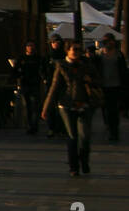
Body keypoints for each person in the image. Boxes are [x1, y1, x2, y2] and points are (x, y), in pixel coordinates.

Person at [42, 41, 103, 177]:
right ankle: (73, 167)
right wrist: (46, 107)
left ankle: (84, 160)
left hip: (85, 104)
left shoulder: (87, 65)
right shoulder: (62, 65)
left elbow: (99, 81)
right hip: (66, 104)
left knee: (85, 137)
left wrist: (90, 81)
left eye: (78, 49)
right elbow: (54, 87)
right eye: (74, 49)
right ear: (67, 51)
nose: (76, 52)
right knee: (72, 136)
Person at [95, 35, 127, 143]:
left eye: (111, 41)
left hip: (116, 85)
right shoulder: (99, 54)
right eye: (108, 41)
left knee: (113, 110)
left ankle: (114, 131)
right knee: (106, 109)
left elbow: (123, 70)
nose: (110, 43)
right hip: (103, 85)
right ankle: (109, 126)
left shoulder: (118, 54)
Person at [10, 40, 44, 135]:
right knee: (28, 106)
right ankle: (30, 125)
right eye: (29, 46)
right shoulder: (22, 58)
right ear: (26, 47)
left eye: (32, 46)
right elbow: (15, 70)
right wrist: (19, 77)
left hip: (35, 84)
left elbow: (42, 70)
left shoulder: (38, 58)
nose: (30, 48)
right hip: (25, 84)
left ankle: (34, 125)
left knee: (35, 106)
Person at [42, 33, 65, 138]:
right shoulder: (48, 56)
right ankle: (51, 128)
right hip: (50, 83)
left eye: (58, 42)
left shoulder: (64, 55)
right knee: (51, 107)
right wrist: (45, 78)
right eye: (54, 42)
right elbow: (42, 69)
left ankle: (61, 128)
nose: (56, 44)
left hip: (62, 84)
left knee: (62, 106)